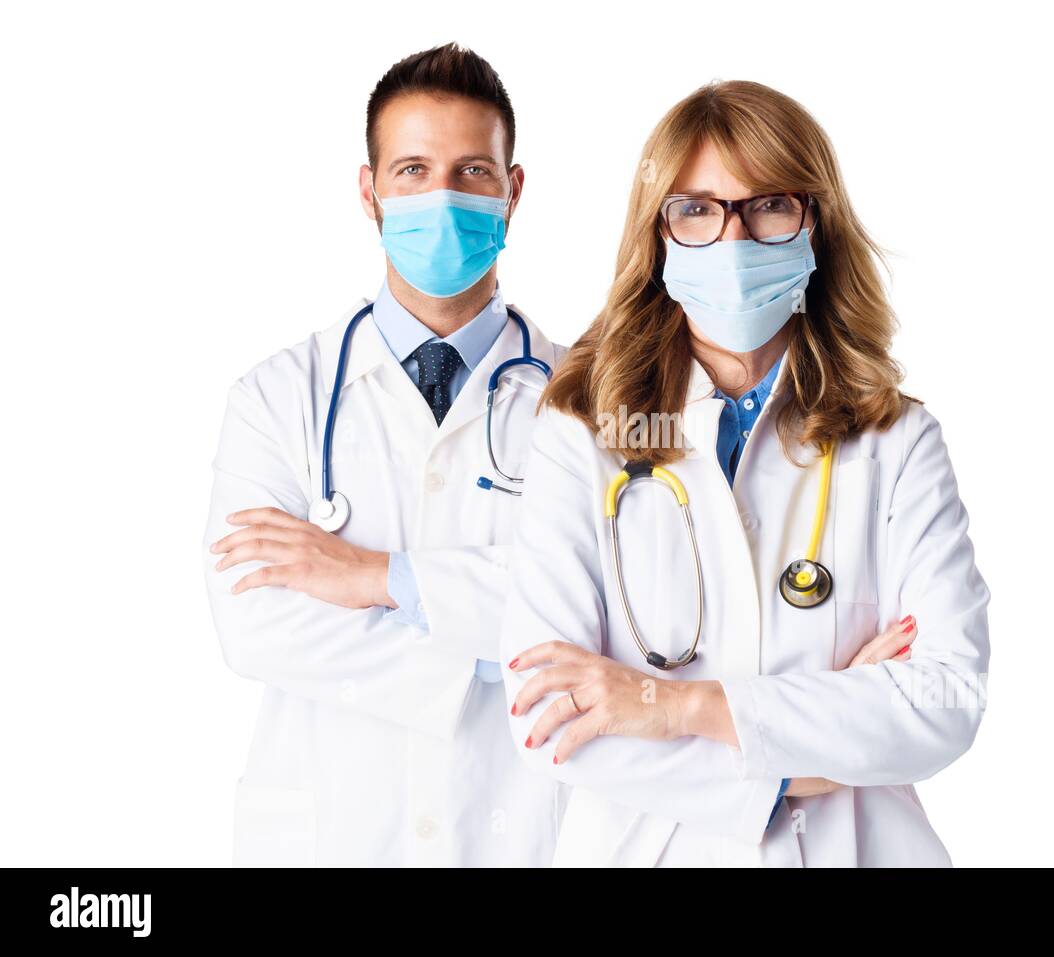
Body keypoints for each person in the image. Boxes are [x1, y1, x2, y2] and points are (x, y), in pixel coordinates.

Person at [500, 80, 990, 867]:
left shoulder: (898, 441)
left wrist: (674, 706)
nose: (732, 240)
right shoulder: (580, 433)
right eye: (695, 209)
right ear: (656, 236)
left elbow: (944, 701)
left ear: (814, 225)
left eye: (767, 206)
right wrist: (802, 767)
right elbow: (547, 715)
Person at [203, 43, 565, 867]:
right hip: (334, 829)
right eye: (412, 170)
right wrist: (488, 652)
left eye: (472, 172)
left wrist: (375, 577)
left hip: (524, 828)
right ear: (369, 192)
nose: (442, 198)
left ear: (513, 193)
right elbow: (255, 622)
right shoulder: (275, 398)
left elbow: (608, 605)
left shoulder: (593, 400)